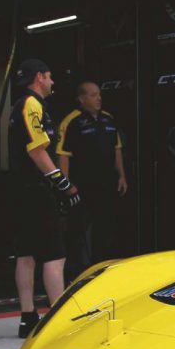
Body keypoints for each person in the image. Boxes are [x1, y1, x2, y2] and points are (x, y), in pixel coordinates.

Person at [8, 58, 81, 338]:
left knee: (26, 254)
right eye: (50, 77)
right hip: (35, 190)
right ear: (39, 77)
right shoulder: (31, 105)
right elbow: (37, 150)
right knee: (54, 255)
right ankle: (59, 321)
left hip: (21, 190)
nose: (52, 83)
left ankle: (28, 317)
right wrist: (62, 183)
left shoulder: (22, 105)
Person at [56, 81, 128, 273]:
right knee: (78, 229)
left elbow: (117, 149)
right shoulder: (71, 121)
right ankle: (76, 270)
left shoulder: (108, 119)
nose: (99, 98)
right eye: (93, 95)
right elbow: (63, 155)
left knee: (105, 227)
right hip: (81, 186)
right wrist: (65, 185)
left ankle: (102, 267)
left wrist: (122, 176)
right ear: (82, 99)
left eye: (99, 94)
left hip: (107, 183)